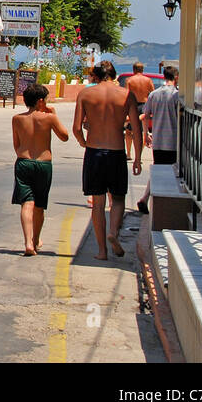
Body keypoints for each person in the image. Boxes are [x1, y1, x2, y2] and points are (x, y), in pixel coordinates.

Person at [73, 60, 143, 259]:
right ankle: (113, 232)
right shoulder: (126, 95)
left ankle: (102, 251)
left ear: (96, 75)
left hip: (94, 152)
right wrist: (137, 158)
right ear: (114, 75)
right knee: (118, 198)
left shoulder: (85, 94)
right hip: (116, 151)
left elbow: (77, 128)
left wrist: (84, 142)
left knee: (97, 202)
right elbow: (136, 130)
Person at [12, 82, 70, 256]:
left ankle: (28, 242)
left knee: (27, 204)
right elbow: (65, 137)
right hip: (44, 164)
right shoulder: (49, 118)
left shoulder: (17, 119)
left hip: (23, 162)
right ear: (40, 101)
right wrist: (54, 115)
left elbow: (17, 145)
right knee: (39, 205)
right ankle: (36, 241)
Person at [137, 65, 182, 213]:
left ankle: (146, 198)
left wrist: (146, 134)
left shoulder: (153, 95)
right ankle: (164, 205)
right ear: (176, 78)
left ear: (164, 76)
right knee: (171, 172)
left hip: (158, 139)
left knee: (158, 168)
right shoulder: (177, 96)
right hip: (173, 140)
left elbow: (145, 116)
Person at [125, 63, 155, 160]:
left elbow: (126, 95)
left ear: (134, 70)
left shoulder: (129, 80)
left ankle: (129, 154)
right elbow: (153, 93)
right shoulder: (148, 80)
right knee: (142, 132)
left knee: (129, 131)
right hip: (144, 106)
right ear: (142, 70)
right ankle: (139, 156)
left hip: (133, 105)